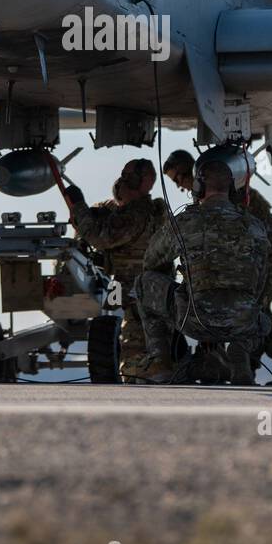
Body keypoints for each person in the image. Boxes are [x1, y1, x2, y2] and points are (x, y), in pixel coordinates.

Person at [163, 149, 272, 385]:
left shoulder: (224, 190)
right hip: (256, 249)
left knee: (253, 307)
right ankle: (236, 362)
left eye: (179, 177)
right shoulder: (211, 191)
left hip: (268, 249)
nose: (180, 185)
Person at [134, 157, 270, 385]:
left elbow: (151, 260)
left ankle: (161, 363)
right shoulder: (254, 226)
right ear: (232, 189)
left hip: (196, 320)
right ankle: (241, 351)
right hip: (243, 323)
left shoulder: (185, 222)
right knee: (263, 320)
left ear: (198, 188)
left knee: (143, 283)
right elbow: (261, 280)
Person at [64, 158, 166, 382]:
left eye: (127, 176)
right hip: (146, 291)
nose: (122, 181)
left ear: (143, 182)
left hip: (133, 294)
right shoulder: (153, 211)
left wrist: (78, 207)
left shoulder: (134, 214)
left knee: (132, 358)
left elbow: (100, 238)